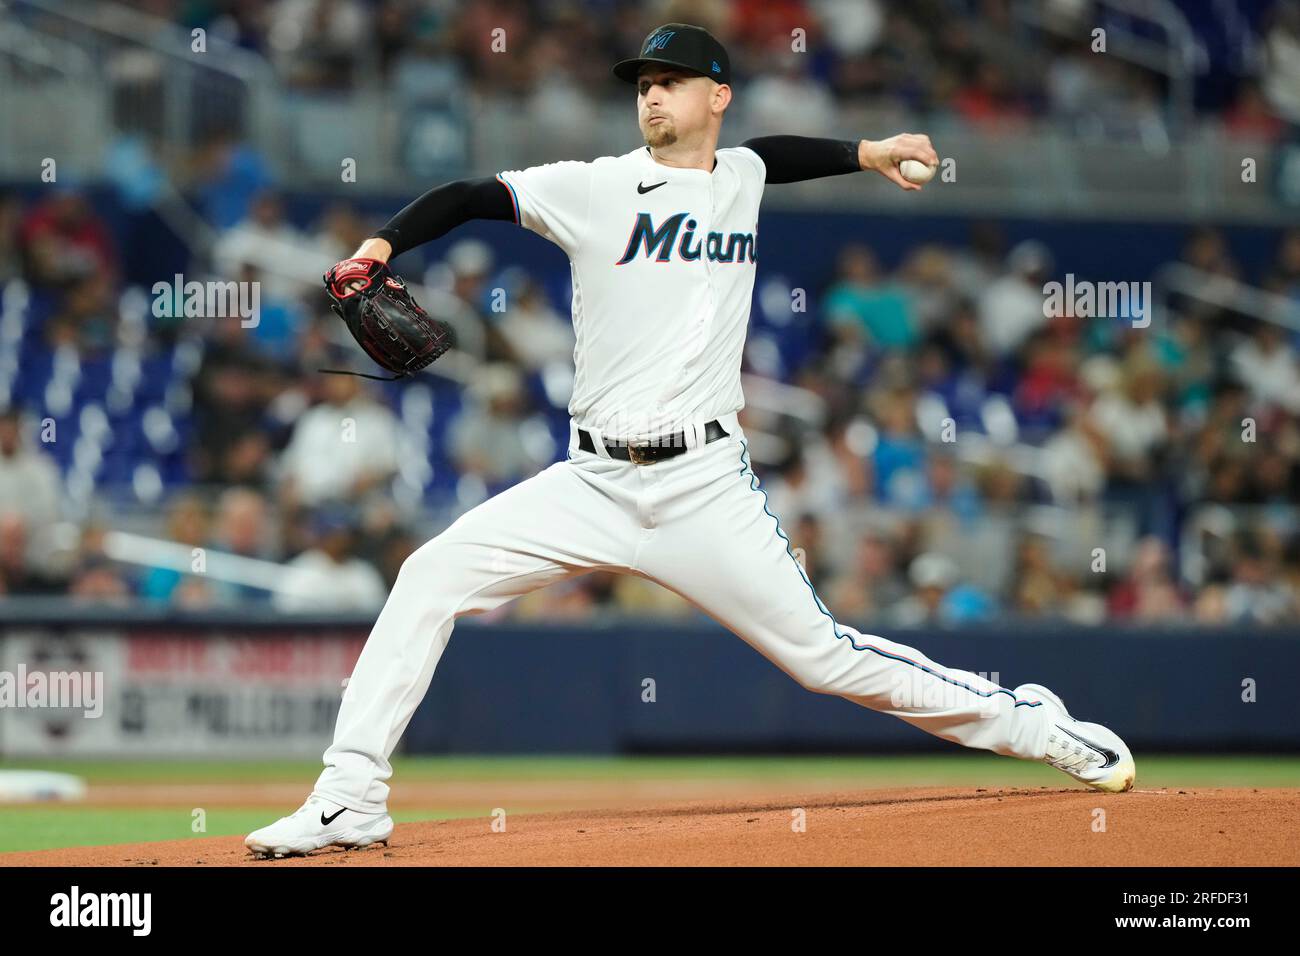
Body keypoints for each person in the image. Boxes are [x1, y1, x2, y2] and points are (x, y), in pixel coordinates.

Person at [247, 22, 1135, 860]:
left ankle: (1032, 723)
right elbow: (471, 196)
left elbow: (773, 160)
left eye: (670, 82)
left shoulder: (739, 175)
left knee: (825, 659)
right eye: (644, 83)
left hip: (704, 485)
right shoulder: (595, 185)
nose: (652, 96)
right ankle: (351, 796)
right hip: (590, 481)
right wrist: (379, 244)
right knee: (428, 574)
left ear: (719, 95)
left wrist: (869, 153)